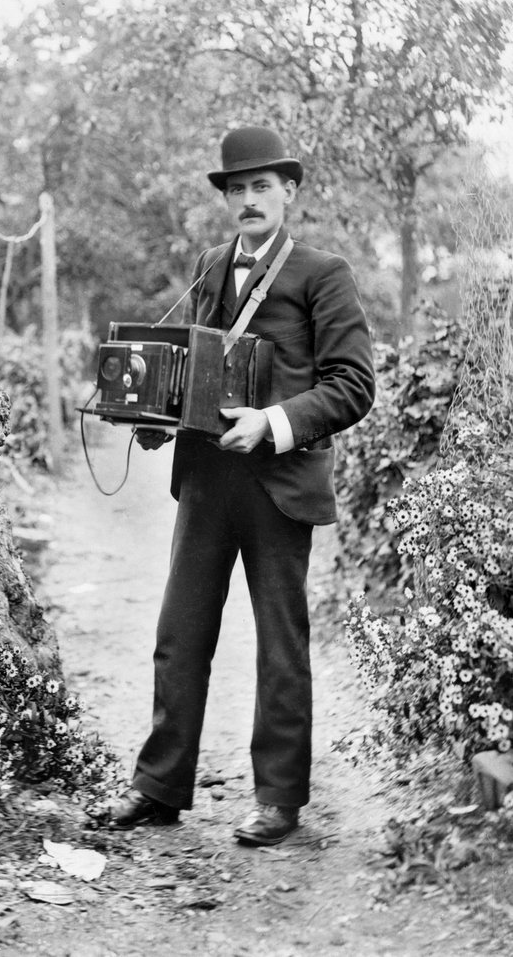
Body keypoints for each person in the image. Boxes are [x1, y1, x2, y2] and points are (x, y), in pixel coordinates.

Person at [107, 125, 375, 847]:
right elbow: (194, 370)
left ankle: (279, 800)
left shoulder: (323, 273)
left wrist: (272, 422)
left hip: (279, 482)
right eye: (237, 189)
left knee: (279, 644)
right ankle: (158, 787)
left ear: (288, 192)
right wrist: (157, 419)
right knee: (179, 634)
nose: (248, 200)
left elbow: (353, 385)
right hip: (206, 479)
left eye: (261, 186)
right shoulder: (208, 265)